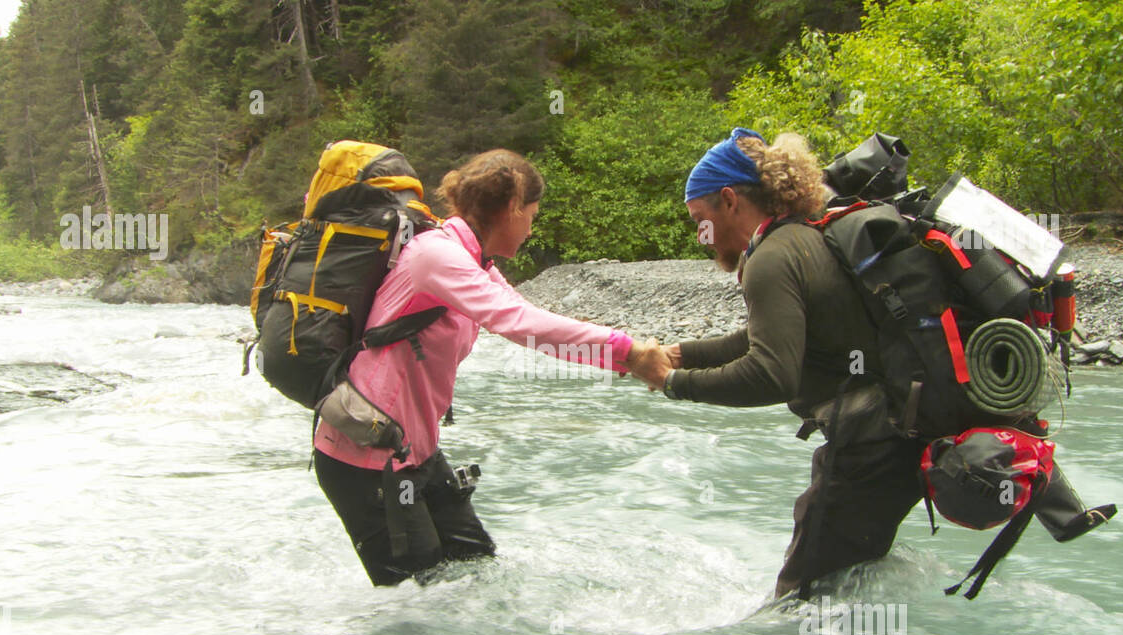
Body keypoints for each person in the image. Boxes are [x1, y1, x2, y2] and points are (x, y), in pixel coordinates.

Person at [313, 148, 650, 586]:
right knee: (419, 591)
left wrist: (627, 359)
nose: (531, 229)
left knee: (474, 565)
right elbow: (518, 322)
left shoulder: (470, 259)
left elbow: (526, 317)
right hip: (365, 455)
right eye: (532, 215)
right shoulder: (436, 255)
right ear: (512, 207)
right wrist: (628, 351)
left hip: (414, 450)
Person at [628, 127, 925, 601]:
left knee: (801, 603)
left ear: (729, 200)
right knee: (842, 590)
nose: (701, 237)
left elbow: (771, 375)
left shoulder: (771, 258)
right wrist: (683, 355)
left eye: (700, 220)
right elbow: (765, 338)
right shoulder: (806, 235)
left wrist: (670, 381)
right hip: (901, 431)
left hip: (872, 449)